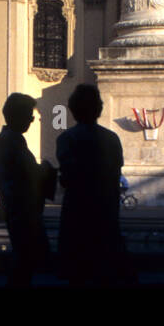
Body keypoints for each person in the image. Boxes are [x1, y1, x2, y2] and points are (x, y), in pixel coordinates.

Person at [56, 84, 132, 285]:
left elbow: (67, 178)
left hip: (77, 214)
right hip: (106, 212)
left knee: (78, 274)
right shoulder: (112, 139)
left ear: (73, 109)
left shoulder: (66, 139)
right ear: (99, 109)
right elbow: (115, 173)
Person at [0, 93, 56, 287]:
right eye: (29, 115)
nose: (32, 120)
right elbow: (27, 175)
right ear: (17, 116)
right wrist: (46, 169)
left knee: (24, 261)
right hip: (22, 210)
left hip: (19, 209)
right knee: (24, 260)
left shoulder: (10, 139)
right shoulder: (12, 141)